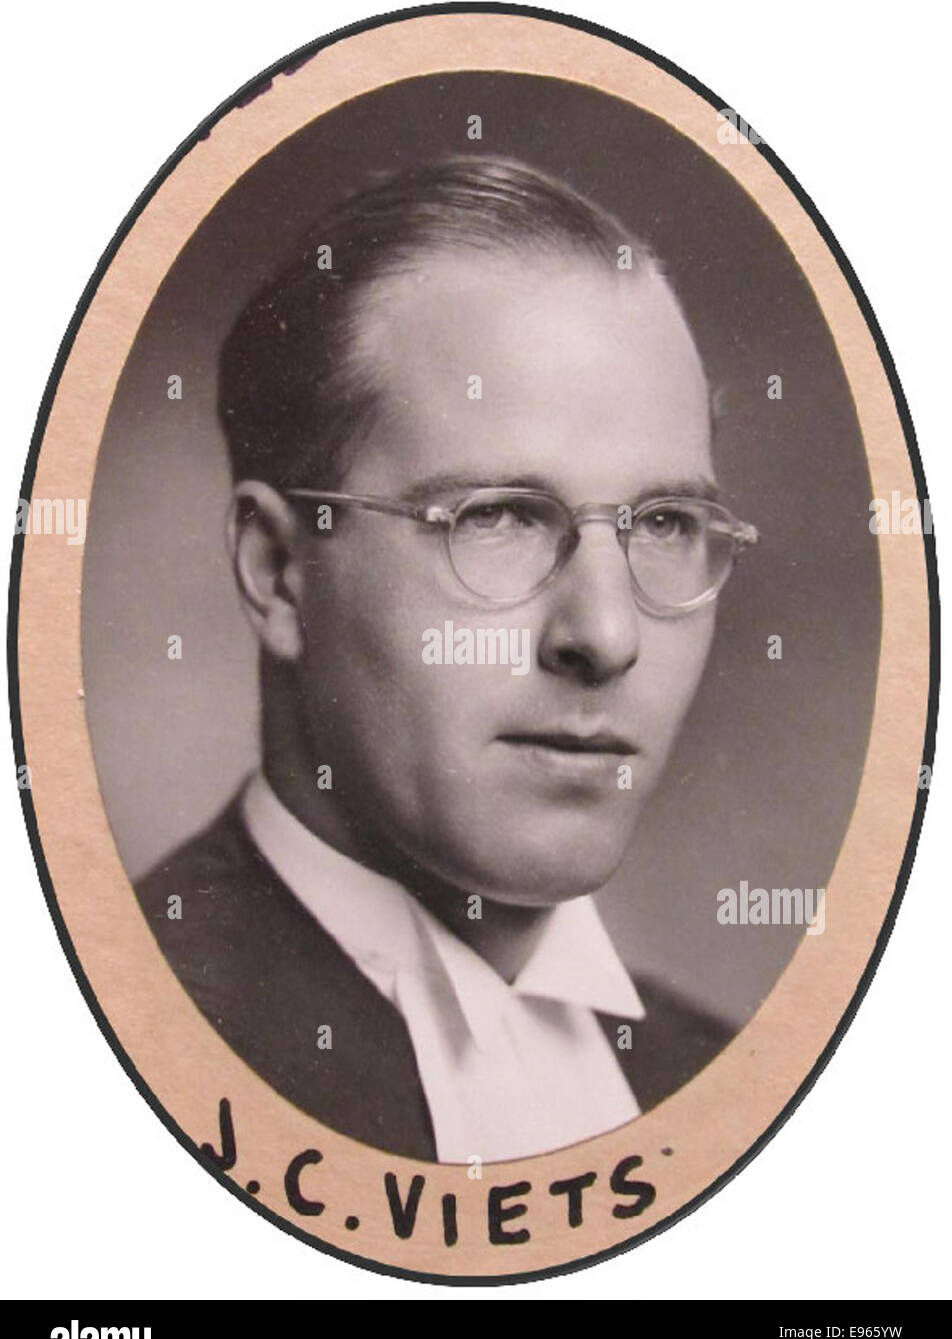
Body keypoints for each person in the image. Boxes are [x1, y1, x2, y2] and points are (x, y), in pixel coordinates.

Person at [136, 156, 758, 1162]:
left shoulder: (729, 1090)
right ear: (278, 570)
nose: (605, 635)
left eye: (663, 522)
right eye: (499, 517)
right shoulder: (96, 1054)